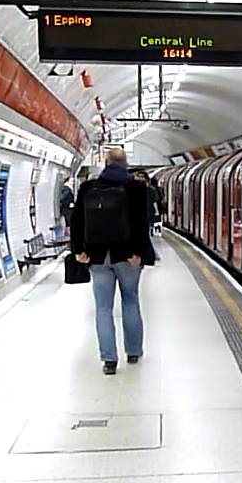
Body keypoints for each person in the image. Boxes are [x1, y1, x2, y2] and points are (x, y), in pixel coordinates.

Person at [72, 146, 154, 375]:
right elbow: (141, 222)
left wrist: (79, 250)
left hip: (97, 257)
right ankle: (134, 351)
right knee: (130, 301)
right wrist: (139, 252)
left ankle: (109, 360)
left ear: (106, 162)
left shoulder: (88, 187)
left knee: (103, 308)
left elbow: (77, 220)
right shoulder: (136, 188)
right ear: (125, 163)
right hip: (128, 257)